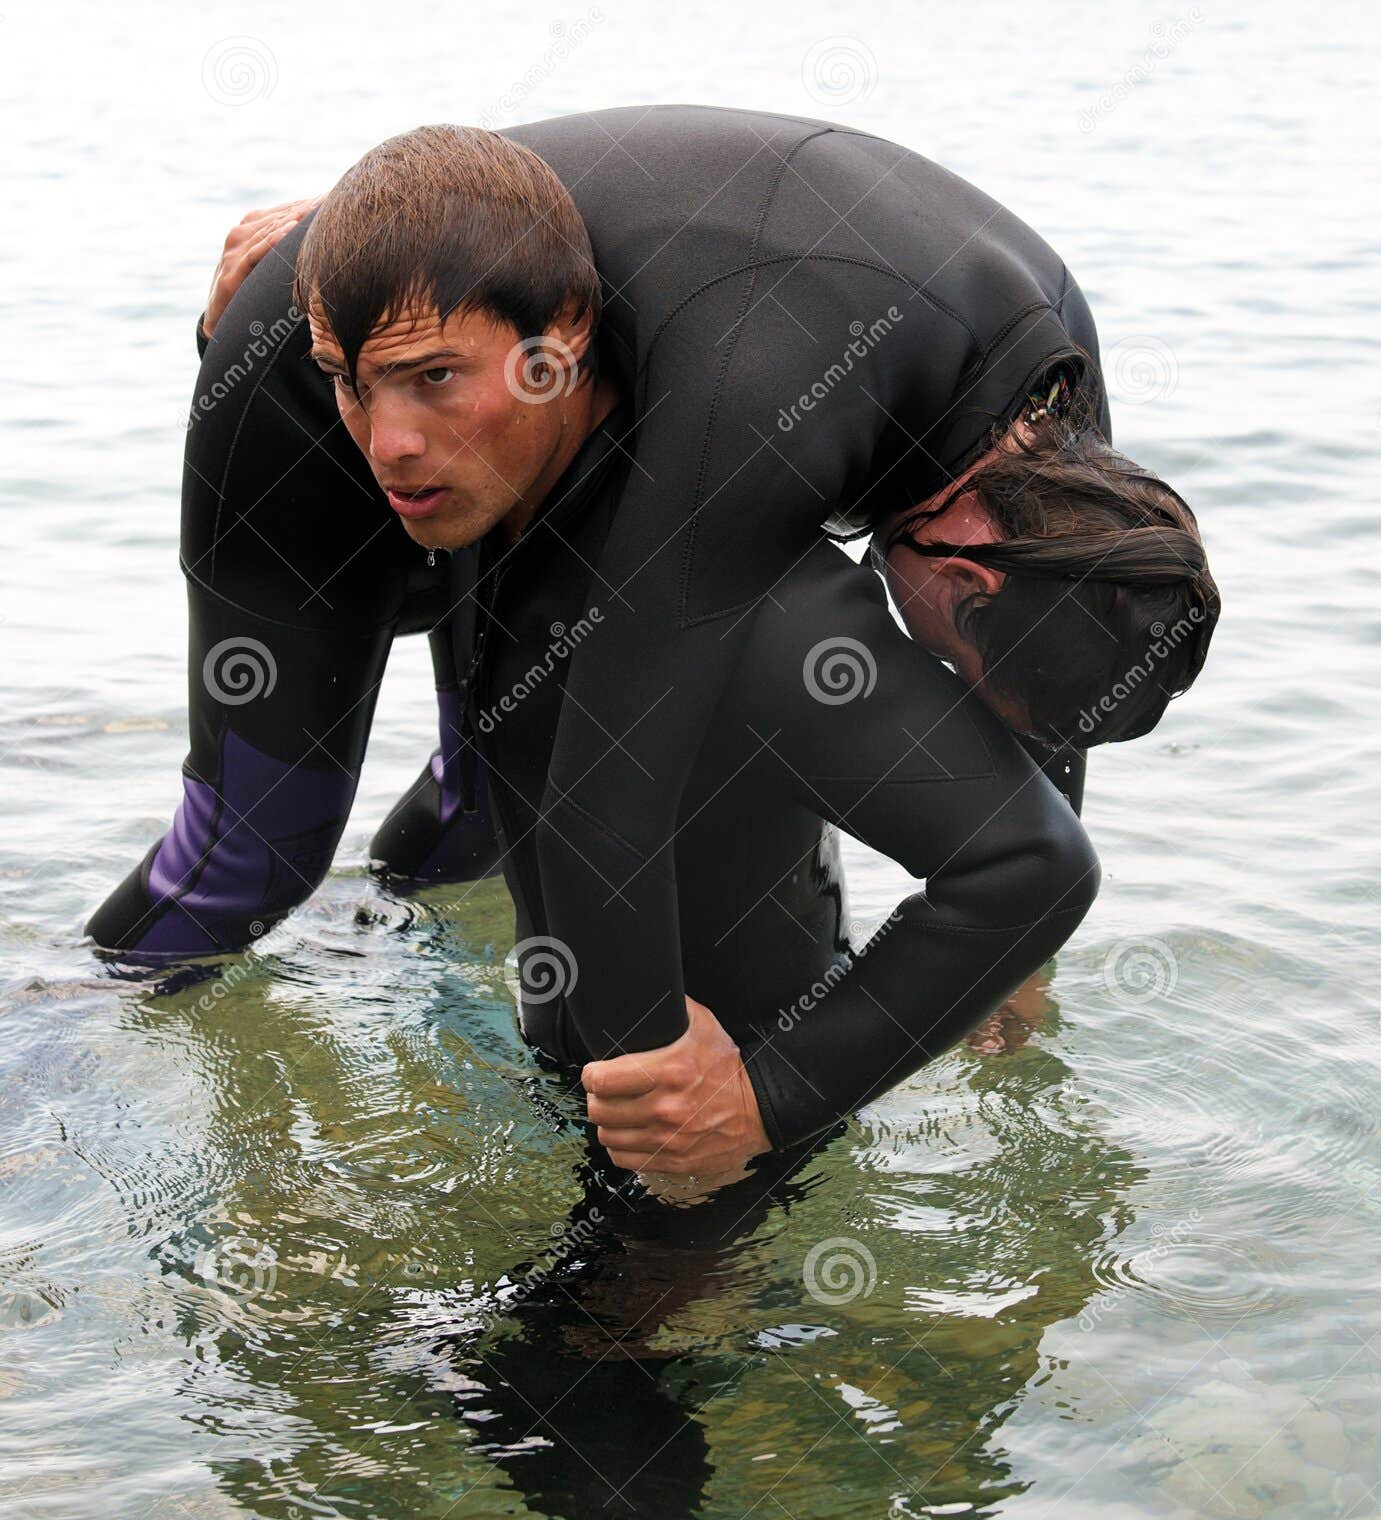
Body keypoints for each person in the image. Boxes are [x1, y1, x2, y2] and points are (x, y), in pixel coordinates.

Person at [86, 105, 1218, 1166]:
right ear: (968, 570)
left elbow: (1040, 707)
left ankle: (390, 922)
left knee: (487, 787)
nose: (940, 706)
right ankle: (61, 1035)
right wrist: (689, 1109)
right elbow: (607, 774)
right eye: (949, 675)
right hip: (310, 399)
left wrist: (1015, 964)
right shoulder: (758, 416)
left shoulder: (1063, 439)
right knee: (257, 851)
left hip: (510, 399)